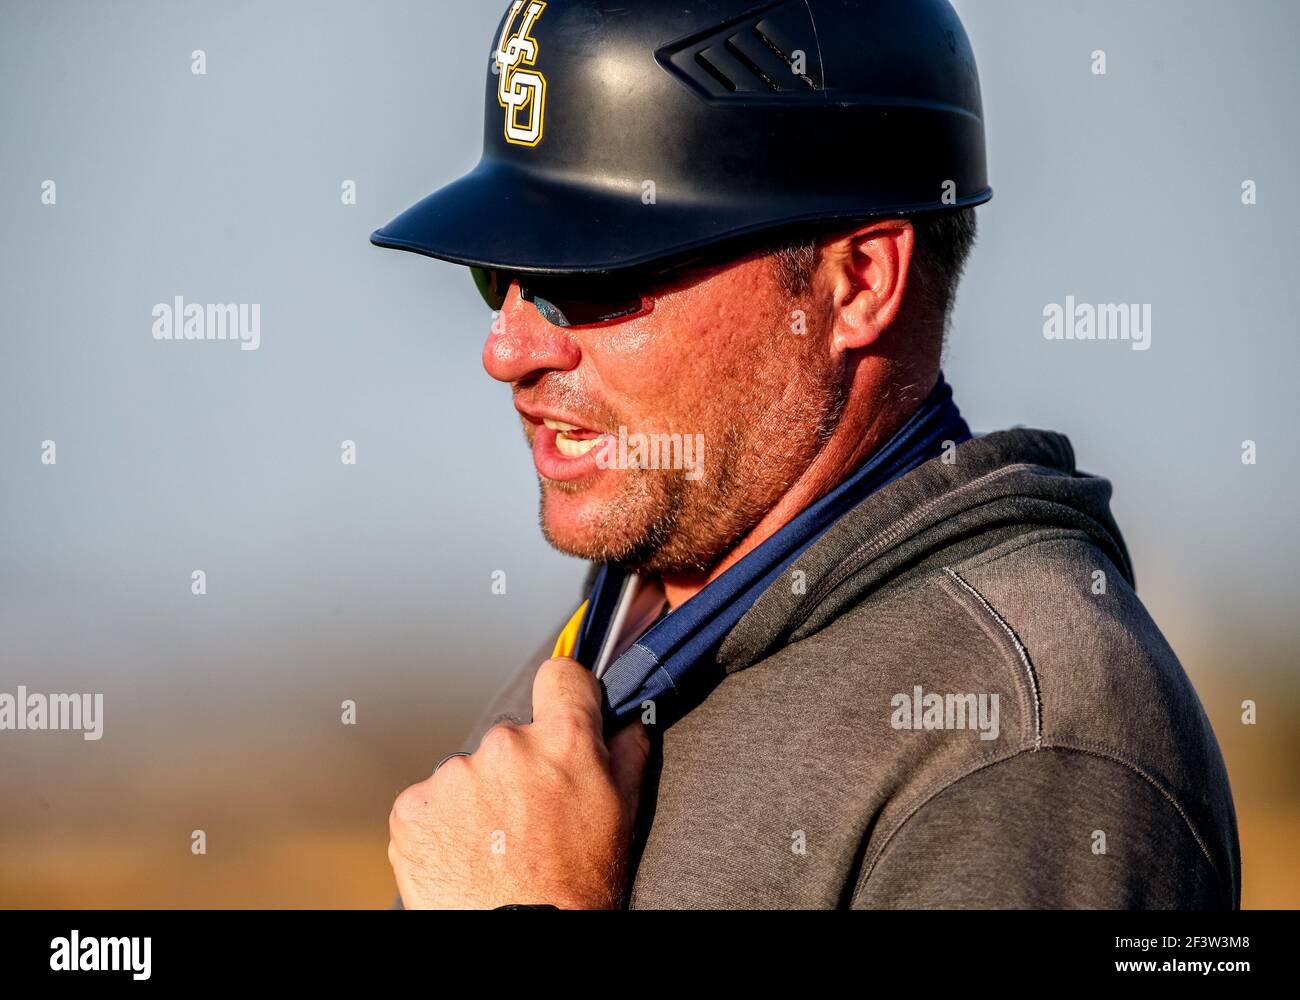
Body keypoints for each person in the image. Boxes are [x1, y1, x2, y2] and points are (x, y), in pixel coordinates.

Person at [373, 0, 1239, 909]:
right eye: (497, 275)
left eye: (588, 275)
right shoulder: (606, 646)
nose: (508, 350)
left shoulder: (1025, 743)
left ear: (858, 282)